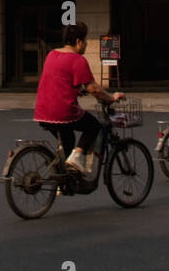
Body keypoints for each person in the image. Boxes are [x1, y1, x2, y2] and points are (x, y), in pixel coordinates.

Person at [34, 23, 123, 175]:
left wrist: (77, 90)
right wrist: (111, 98)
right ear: (78, 42)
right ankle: (77, 157)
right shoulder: (77, 60)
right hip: (62, 112)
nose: (86, 44)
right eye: (85, 41)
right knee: (94, 126)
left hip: (42, 111)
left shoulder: (52, 54)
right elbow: (94, 89)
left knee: (67, 144)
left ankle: (61, 179)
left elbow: (60, 79)